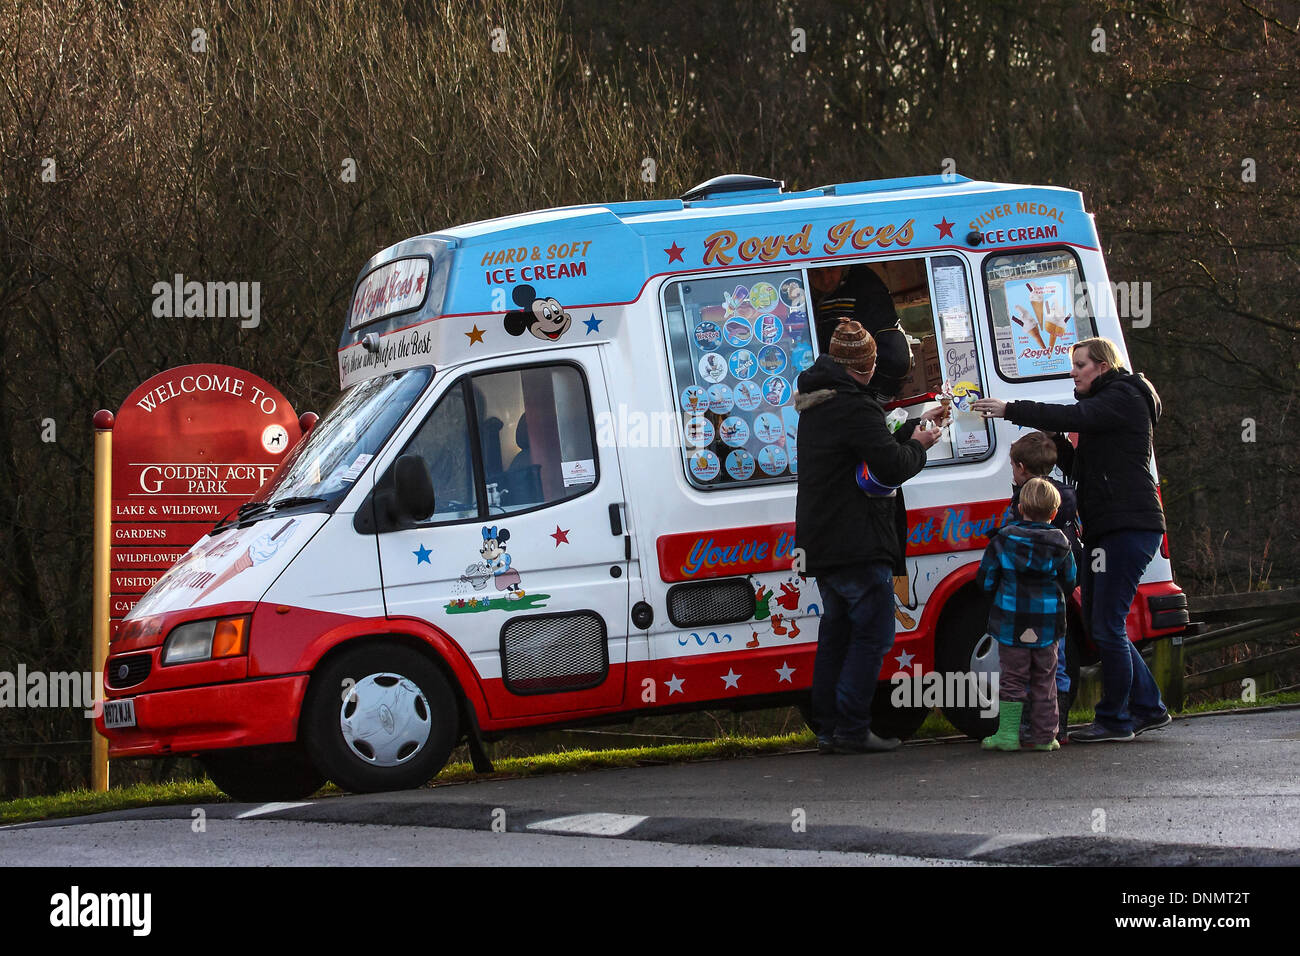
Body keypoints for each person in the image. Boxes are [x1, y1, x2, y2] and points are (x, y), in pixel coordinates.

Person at [972, 337, 1172, 742]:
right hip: (1110, 527)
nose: (1073, 371)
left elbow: (1075, 415)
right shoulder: (1110, 404)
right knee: (1103, 624)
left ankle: (1116, 720)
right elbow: (1080, 465)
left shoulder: (1122, 396)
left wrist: (1011, 410)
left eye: (1079, 364)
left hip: (1127, 526)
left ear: (1101, 365)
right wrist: (1055, 440)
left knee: (1107, 625)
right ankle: (1148, 707)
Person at [794, 320, 945, 753]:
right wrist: (922, 444)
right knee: (874, 635)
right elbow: (891, 466)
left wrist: (911, 428)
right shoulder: (855, 406)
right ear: (869, 364)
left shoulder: (819, 402)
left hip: (824, 541)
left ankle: (828, 728)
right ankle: (853, 728)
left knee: (836, 635)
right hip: (857, 540)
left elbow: (866, 454)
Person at [978, 477, 1077, 752]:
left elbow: (985, 578)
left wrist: (995, 594)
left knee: (1012, 678)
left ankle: (1008, 735)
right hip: (1047, 623)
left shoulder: (1003, 539)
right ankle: (1046, 737)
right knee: (1046, 679)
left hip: (1011, 621)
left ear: (1020, 508)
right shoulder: (1061, 543)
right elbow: (1070, 581)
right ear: (1054, 513)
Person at [1008, 430, 1082, 743]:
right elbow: (1071, 569)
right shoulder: (1064, 499)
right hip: (1057, 603)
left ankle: (1027, 728)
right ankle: (1057, 728)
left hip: (1024, 603)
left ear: (1022, 468)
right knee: (1057, 663)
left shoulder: (1023, 505)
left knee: (1022, 665)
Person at [809, 264, 912, 400]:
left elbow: (896, 356)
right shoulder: (798, 289)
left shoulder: (866, 286)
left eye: (831, 269)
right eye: (816, 273)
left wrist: (876, 401)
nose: (826, 279)